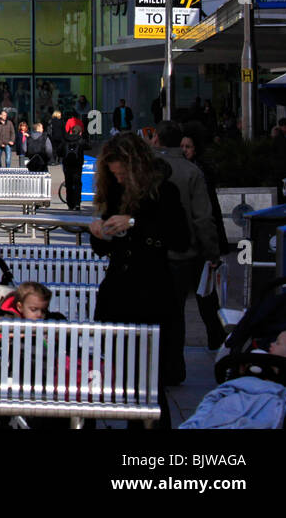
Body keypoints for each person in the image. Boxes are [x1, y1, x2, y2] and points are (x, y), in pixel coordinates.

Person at [88, 133, 190, 427]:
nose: (118, 179)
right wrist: (100, 232)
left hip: (151, 295)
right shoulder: (116, 194)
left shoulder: (163, 192)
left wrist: (134, 224)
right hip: (119, 295)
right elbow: (106, 247)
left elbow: (180, 237)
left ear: (135, 169)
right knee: (127, 378)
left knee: (149, 382)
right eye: (113, 174)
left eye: (121, 174)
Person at [149, 120, 222, 385]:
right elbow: (204, 217)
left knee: (153, 311)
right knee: (176, 312)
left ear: (157, 139)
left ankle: (152, 367)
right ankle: (174, 368)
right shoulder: (191, 171)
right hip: (182, 254)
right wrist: (212, 252)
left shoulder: (145, 169)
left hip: (150, 253)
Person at [180, 123, 229, 350]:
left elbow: (209, 214)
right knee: (204, 295)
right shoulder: (187, 171)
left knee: (205, 296)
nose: (185, 150)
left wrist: (214, 247)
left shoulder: (197, 173)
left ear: (196, 149)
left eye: (188, 146)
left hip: (199, 243)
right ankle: (216, 337)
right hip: (193, 243)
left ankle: (216, 337)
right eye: (182, 146)